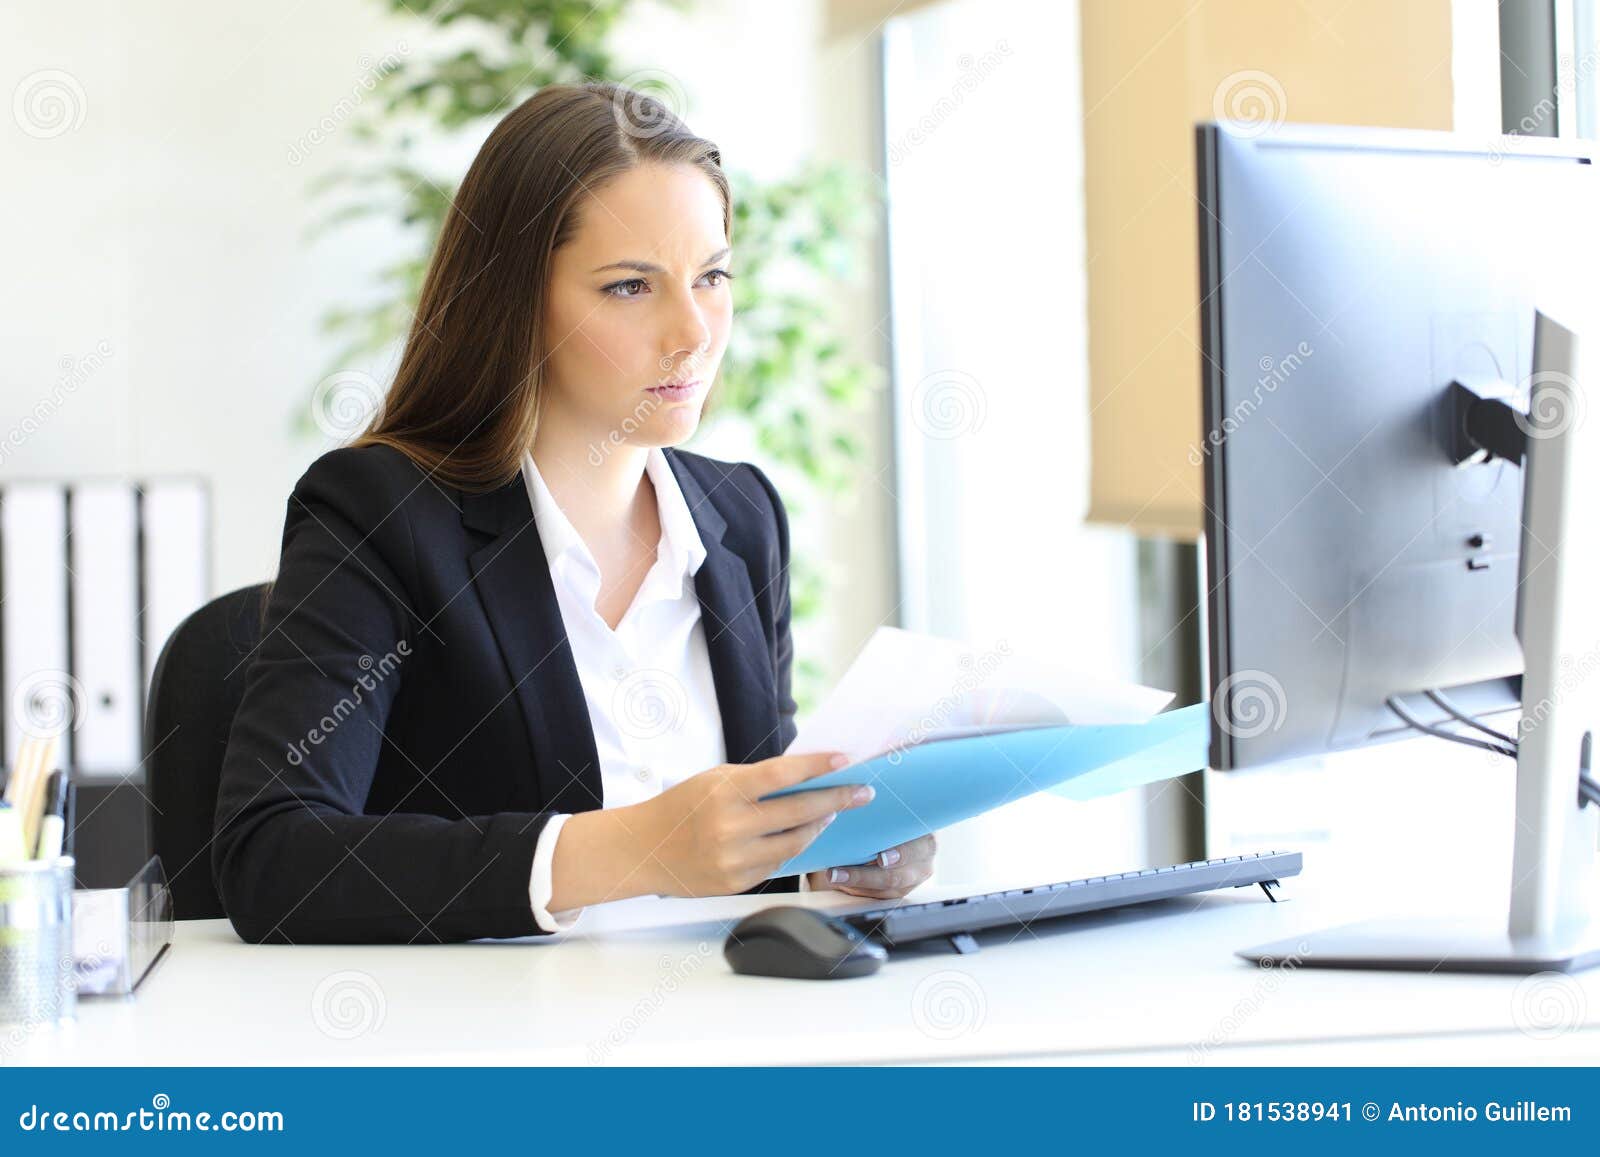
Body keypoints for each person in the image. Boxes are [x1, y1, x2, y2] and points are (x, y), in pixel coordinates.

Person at [212, 82, 936, 944]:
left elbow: (745, 841)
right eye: (631, 287)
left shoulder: (740, 518)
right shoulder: (380, 514)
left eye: (711, 277)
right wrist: (638, 846)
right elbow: (272, 858)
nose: (693, 332)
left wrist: (831, 845)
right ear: (517, 302)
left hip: (731, 1029)